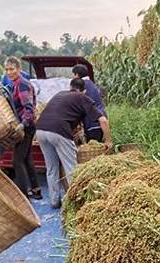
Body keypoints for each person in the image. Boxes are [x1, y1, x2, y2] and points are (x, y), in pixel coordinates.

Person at [36, 78, 112, 208]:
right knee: (72, 169)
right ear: (84, 91)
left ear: (70, 87)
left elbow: (64, 115)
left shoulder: (60, 94)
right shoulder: (82, 97)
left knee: (51, 168)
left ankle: (54, 201)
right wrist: (109, 141)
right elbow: (103, 121)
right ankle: (76, 204)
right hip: (58, 130)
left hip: (40, 130)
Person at [3, 56, 42, 199]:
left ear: (18, 69)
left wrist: (22, 125)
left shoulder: (21, 84)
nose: (9, 72)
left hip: (26, 127)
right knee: (26, 158)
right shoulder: (15, 84)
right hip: (27, 126)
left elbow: (29, 109)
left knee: (17, 160)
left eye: (12, 69)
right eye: (7, 69)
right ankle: (36, 191)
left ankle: (23, 195)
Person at [72, 64, 107, 142]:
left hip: (92, 123)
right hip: (99, 123)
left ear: (77, 75)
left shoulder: (82, 86)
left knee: (93, 150)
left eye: (73, 75)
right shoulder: (91, 84)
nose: (73, 77)